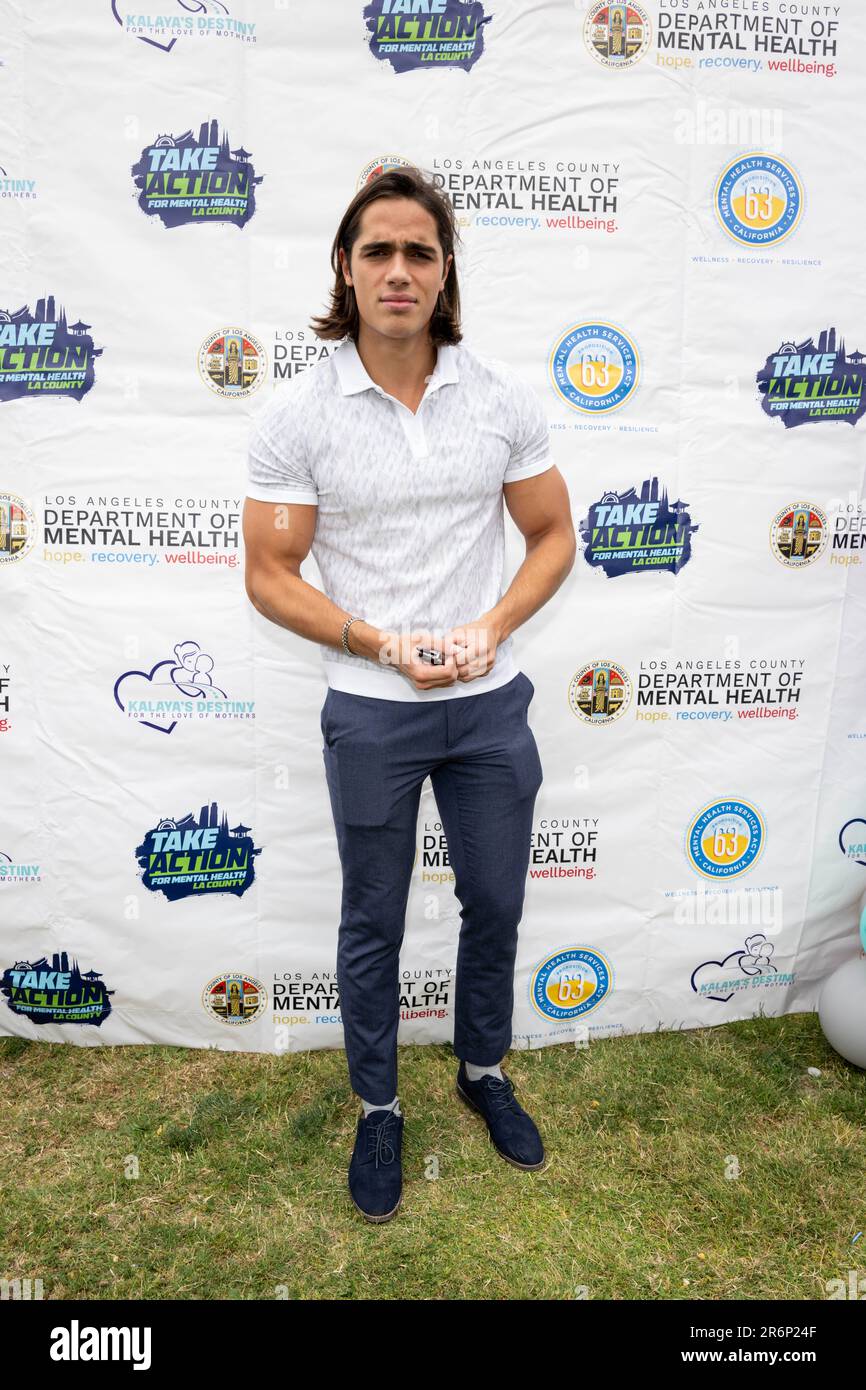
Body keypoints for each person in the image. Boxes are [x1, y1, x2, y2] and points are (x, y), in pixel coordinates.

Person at [242, 166, 576, 1223]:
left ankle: (482, 1070)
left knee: (498, 899)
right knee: (373, 919)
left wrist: (489, 628)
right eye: (376, 250)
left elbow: (551, 535)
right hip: (368, 705)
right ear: (345, 267)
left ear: (443, 274)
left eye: (418, 252)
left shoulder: (500, 396)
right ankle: (378, 1104)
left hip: (488, 703)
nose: (397, 270)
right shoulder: (297, 410)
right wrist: (380, 643)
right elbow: (268, 573)